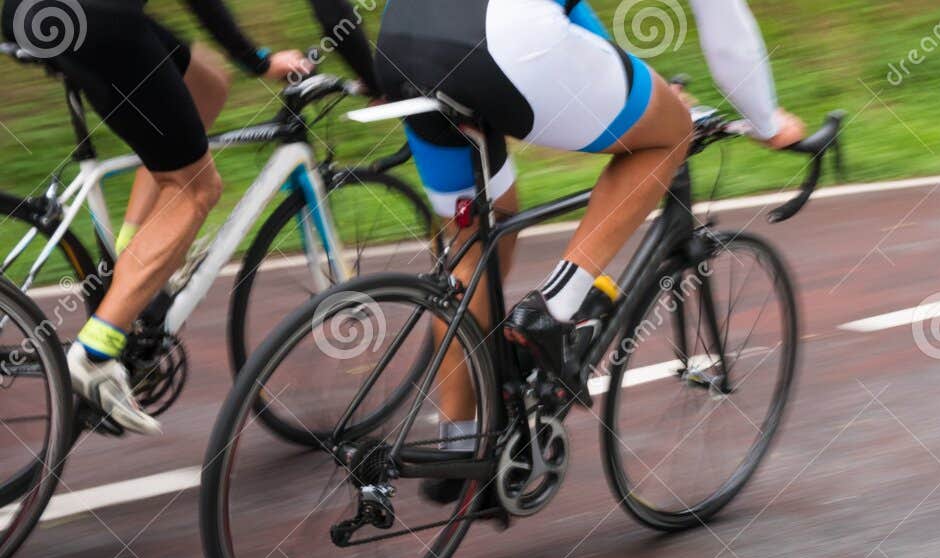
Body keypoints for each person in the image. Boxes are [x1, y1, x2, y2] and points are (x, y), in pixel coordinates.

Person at [374, 0, 806, 501]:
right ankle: (553, 308)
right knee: (669, 134)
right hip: (504, 44)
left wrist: (639, 82)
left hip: (404, 44)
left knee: (479, 240)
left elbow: (577, 33)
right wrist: (766, 119)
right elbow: (722, 17)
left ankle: (458, 446)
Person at [0, 0, 381, 435]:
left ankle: (134, 257)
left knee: (206, 81)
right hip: (98, 20)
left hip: (32, 14)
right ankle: (96, 354)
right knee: (197, 188)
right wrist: (263, 61)